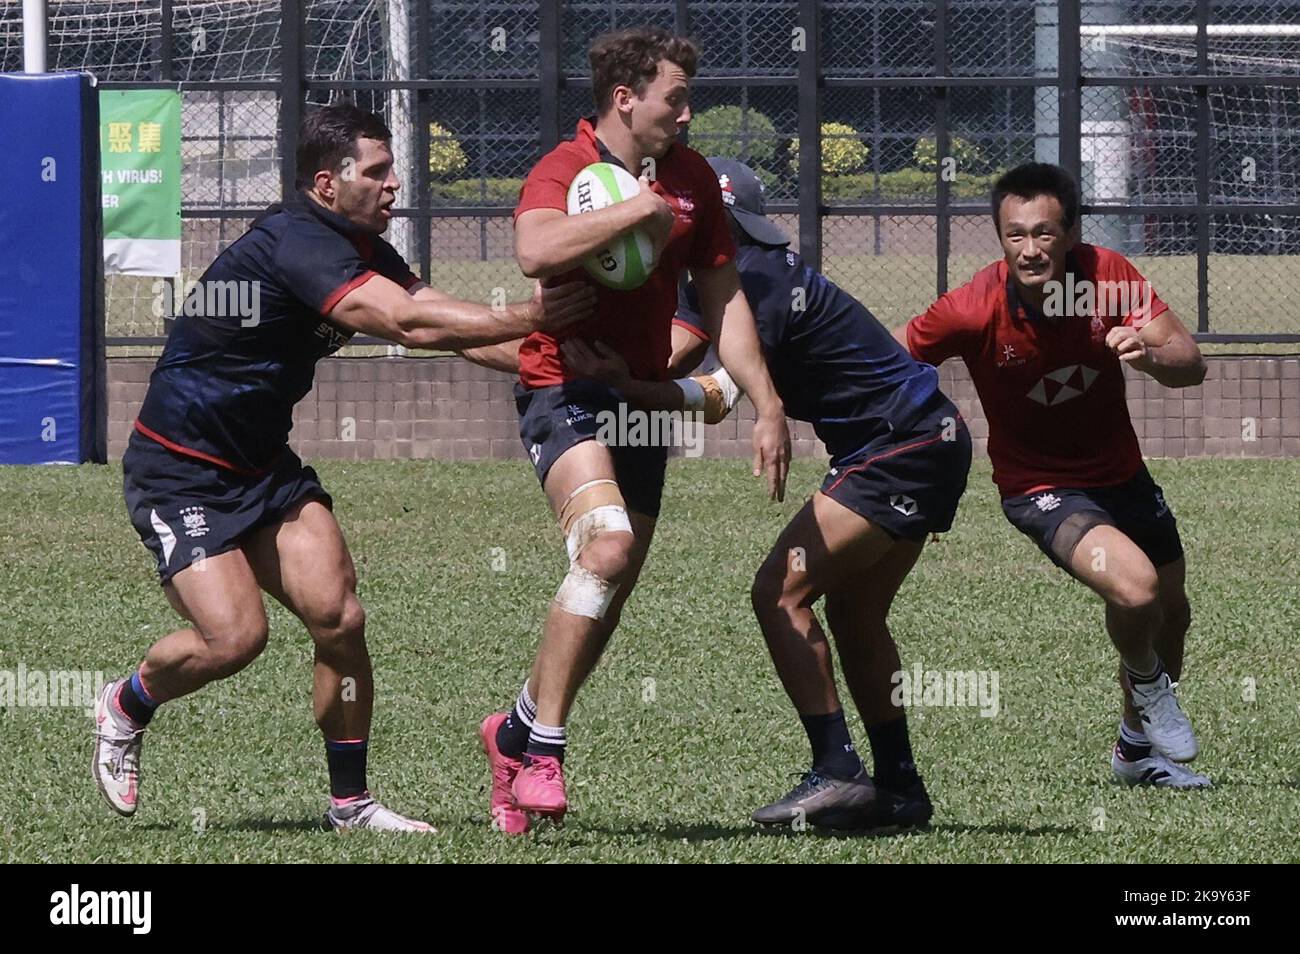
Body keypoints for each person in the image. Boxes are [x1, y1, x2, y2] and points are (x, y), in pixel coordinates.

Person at [93, 103, 594, 831]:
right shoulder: (297, 242)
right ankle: (125, 704)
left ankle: (350, 805)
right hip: (180, 469)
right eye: (378, 172)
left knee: (340, 617)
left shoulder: (362, 243)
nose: (395, 186)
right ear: (327, 183)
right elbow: (405, 324)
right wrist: (535, 313)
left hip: (263, 468)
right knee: (236, 638)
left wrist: (566, 370)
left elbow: (439, 319)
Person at [564, 158, 972, 830]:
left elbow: (697, 378)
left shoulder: (746, 277)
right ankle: (899, 788)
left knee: (779, 592)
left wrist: (614, 372)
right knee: (856, 614)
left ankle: (838, 772)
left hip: (902, 447)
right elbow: (715, 382)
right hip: (929, 438)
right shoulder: (754, 268)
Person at [479, 27, 791, 834]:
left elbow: (723, 300)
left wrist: (766, 402)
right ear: (626, 99)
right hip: (563, 389)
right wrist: (635, 209)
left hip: (636, 403)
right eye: (675, 99)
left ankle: (510, 732)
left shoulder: (693, 181)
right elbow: (532, 247)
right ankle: (544, 747)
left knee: (607, 594)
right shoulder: (565, 168)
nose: (688, 116)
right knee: (605, 547)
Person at [895, 162, 1211, 789]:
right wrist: (920, 467)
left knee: (1172, 614)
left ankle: (1133, 751)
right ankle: (1150, 686)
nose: (1031, 250)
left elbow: (1190, 364)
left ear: (1070, 235)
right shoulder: (970, 309)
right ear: (999, 237)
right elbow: (892, 369)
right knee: (1137, 591)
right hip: (1040, 488)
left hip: (1122, 474)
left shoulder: (1109, 276)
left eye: (1044, 233)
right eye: (1015, 235)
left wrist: (1147, 355)